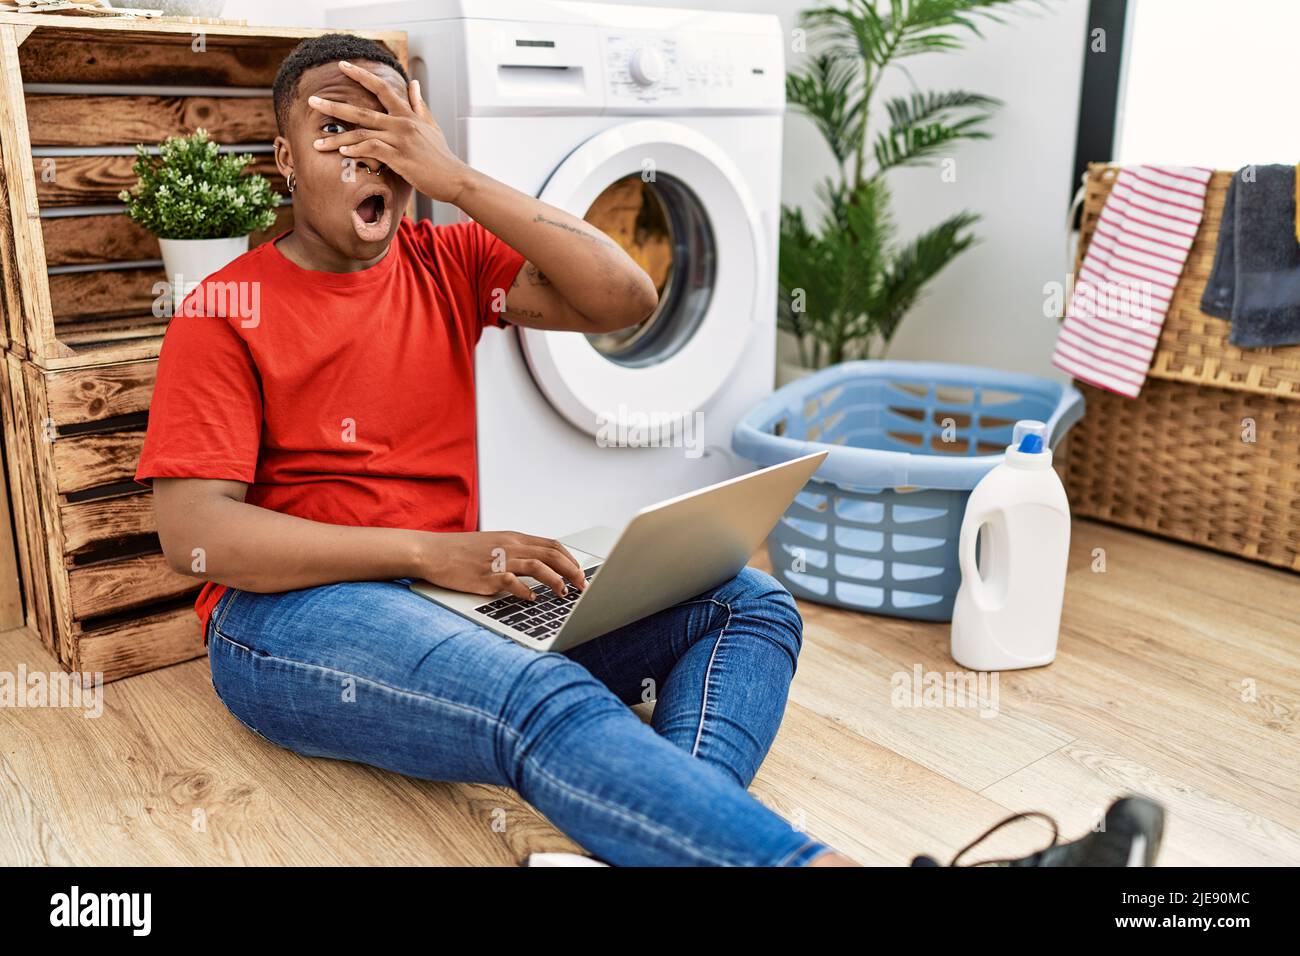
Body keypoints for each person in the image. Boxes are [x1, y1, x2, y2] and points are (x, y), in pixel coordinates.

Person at [134, 34, 1164, 867]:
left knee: (745, 598)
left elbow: (625, 297)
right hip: (289, 626)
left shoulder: (447, 257)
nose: (371, 158)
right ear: (281, 161)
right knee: (543, 699)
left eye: (391, 130)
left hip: (456, 604)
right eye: (335, 133)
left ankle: (656, 838)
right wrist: (428, 550)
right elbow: (195, 534)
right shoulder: (228, 307)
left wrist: (457, 176)